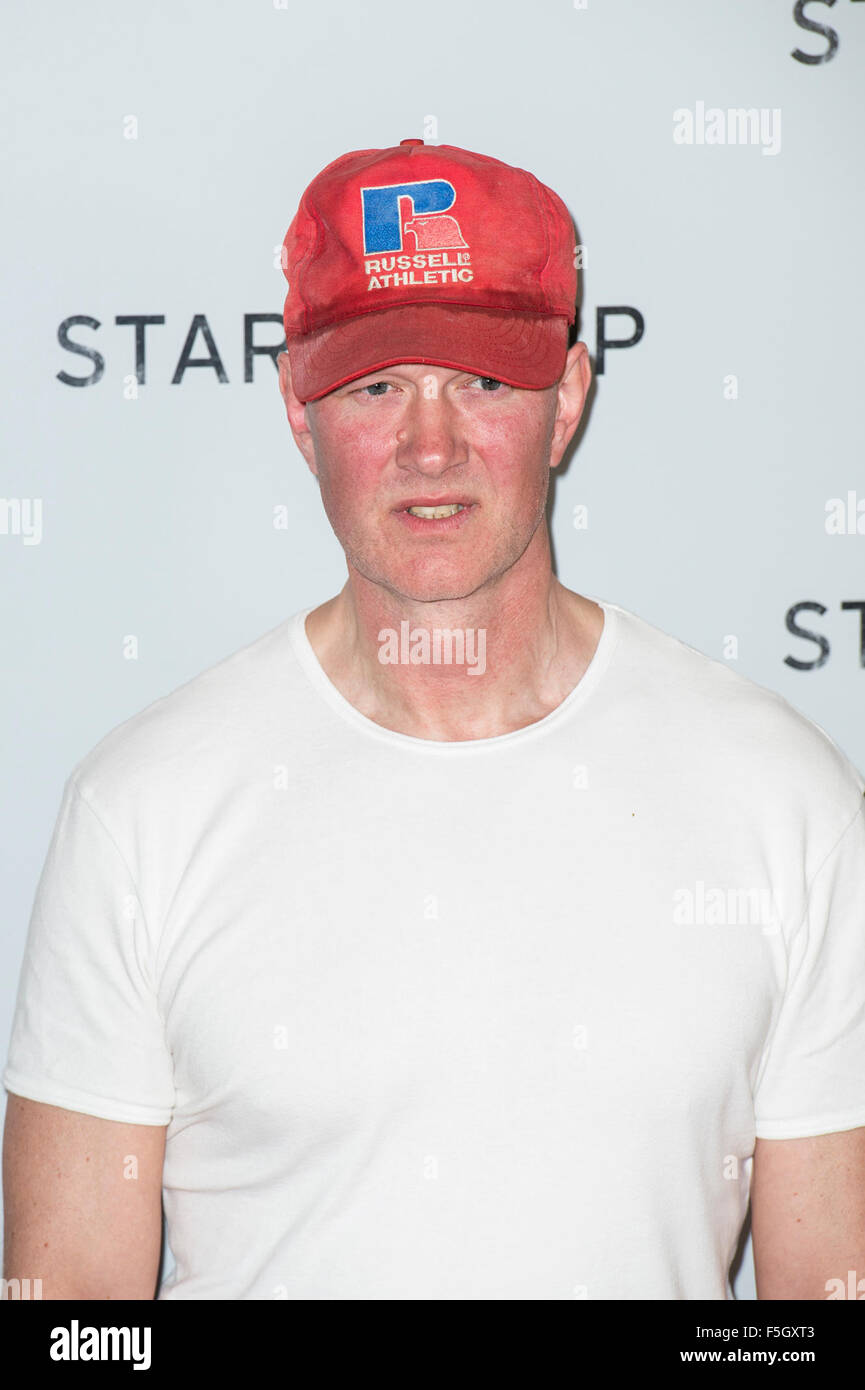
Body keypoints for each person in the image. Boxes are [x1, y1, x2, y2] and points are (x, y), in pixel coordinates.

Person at [3, 138, 865, 1302]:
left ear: (567, 400)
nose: (428, 448)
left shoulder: (783, 799)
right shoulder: (142, 810)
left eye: (482, 381)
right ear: (298, 416)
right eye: (376, 387)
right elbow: (70, 1328)